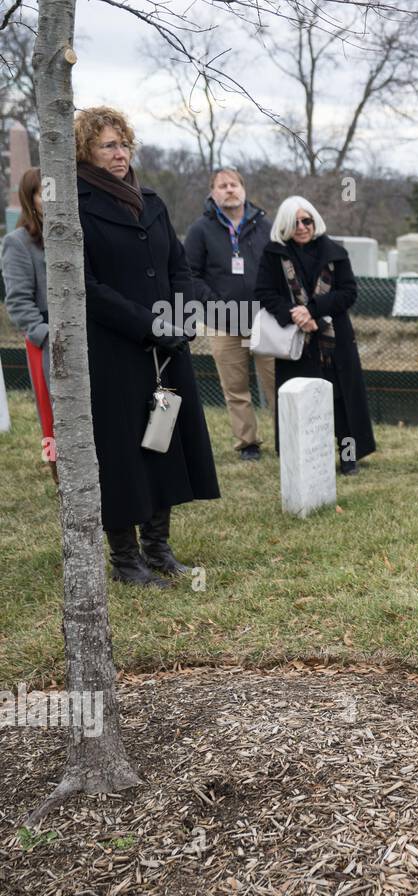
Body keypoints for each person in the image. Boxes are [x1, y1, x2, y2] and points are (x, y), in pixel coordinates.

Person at [74, 106, 220, 586]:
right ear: (85, 152)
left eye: (124, 144)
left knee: (163, 442)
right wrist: (147, 324)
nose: (119, 154)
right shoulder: (74, 205)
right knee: (122, 452)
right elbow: (87, 287)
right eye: (107, 146)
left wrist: (179, 317)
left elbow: (179, 266)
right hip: (115, 350)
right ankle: (125, 560)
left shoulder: (150, 199)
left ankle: (157, 547)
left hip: (166, 347)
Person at [255, 196, 376, 475]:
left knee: (342, 401)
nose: (302, 227)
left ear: (314, 221)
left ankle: (348, 458)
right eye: (295, 222)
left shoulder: (334, 251)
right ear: (285, 225)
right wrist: (294, 314)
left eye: (306, 220)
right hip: (296, 342)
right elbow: (264, 293)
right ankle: (306, 457)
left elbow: (348, 292)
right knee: (302, 401)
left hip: (334, 341)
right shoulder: (274, 254)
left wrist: (311, 311)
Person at [184, 167, 275, 461]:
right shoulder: (201, 229)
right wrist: (214, 303)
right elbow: (190, 274)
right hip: (224, 322)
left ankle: (288, 439)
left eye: (233, 184)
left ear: (244, 189)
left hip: (266, 320)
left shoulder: (265, 226)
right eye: (222, 186)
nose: (229, 190)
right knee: (235, 388)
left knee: (276, 384)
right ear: (213, 193)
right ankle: (247, 443)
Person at [2, 167, 56, 482]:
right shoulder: (18, 243)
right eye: (42, 192)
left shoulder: (79, 236)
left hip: (89, 333)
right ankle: (60, 471)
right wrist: (45, 335)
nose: (50, 199)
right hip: (46, 339)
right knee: (51, 413)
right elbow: (18, 301)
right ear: (30, 198)